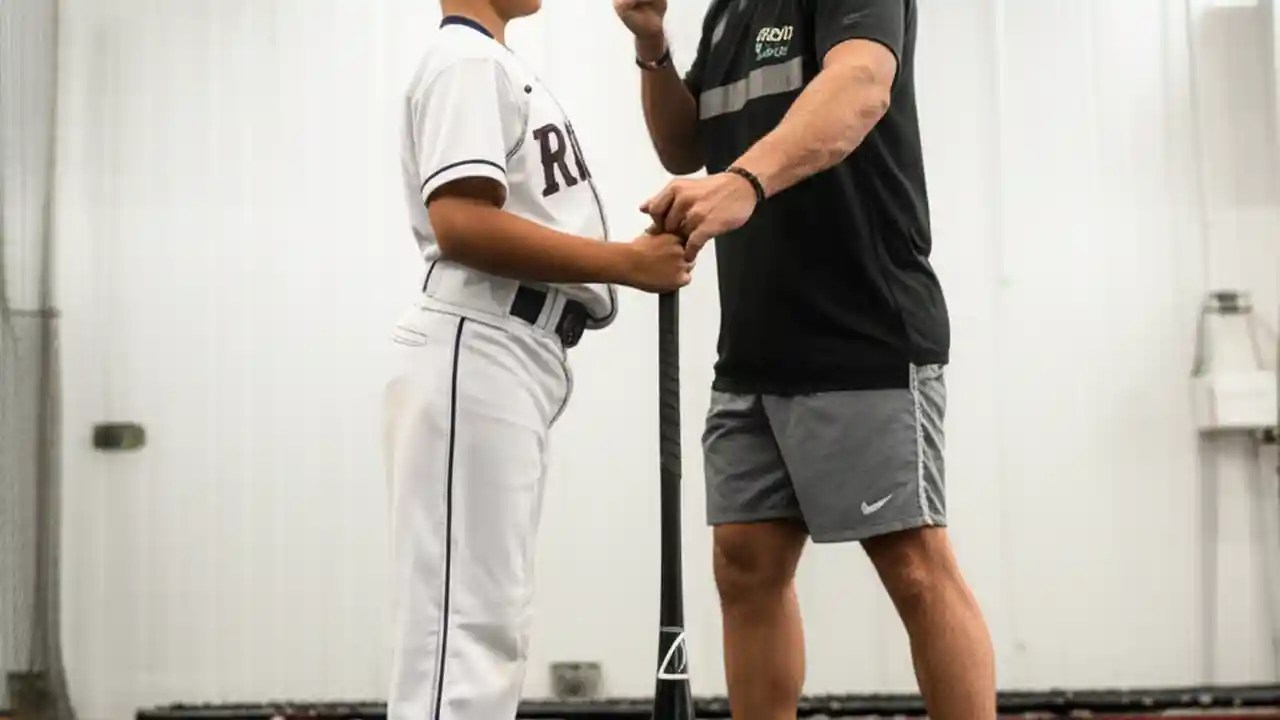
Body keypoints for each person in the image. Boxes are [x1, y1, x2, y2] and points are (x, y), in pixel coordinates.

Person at [615, 0, 997, 717]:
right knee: (745, 565)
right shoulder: (729, 11)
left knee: (914, 567)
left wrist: (745, 182)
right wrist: (652, 44)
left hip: (866, 328)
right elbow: (683, 144)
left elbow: (859, 86)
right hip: (756, 343)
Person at [383, 2, 692, 719]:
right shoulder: (466, 59)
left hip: (512, 348)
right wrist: (624, 263)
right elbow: (461, 223)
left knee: (488, 626)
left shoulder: (495, 64)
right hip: (481, 333)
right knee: (462, 635)